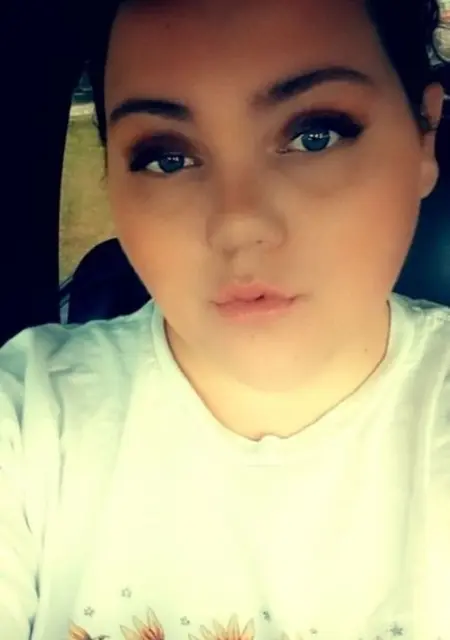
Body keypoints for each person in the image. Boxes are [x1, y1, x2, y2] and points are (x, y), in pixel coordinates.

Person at [0, 0, 449, 638]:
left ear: (425, 133)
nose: (238, 226)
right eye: (167, 157)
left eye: (314, 135)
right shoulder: (28, 418)